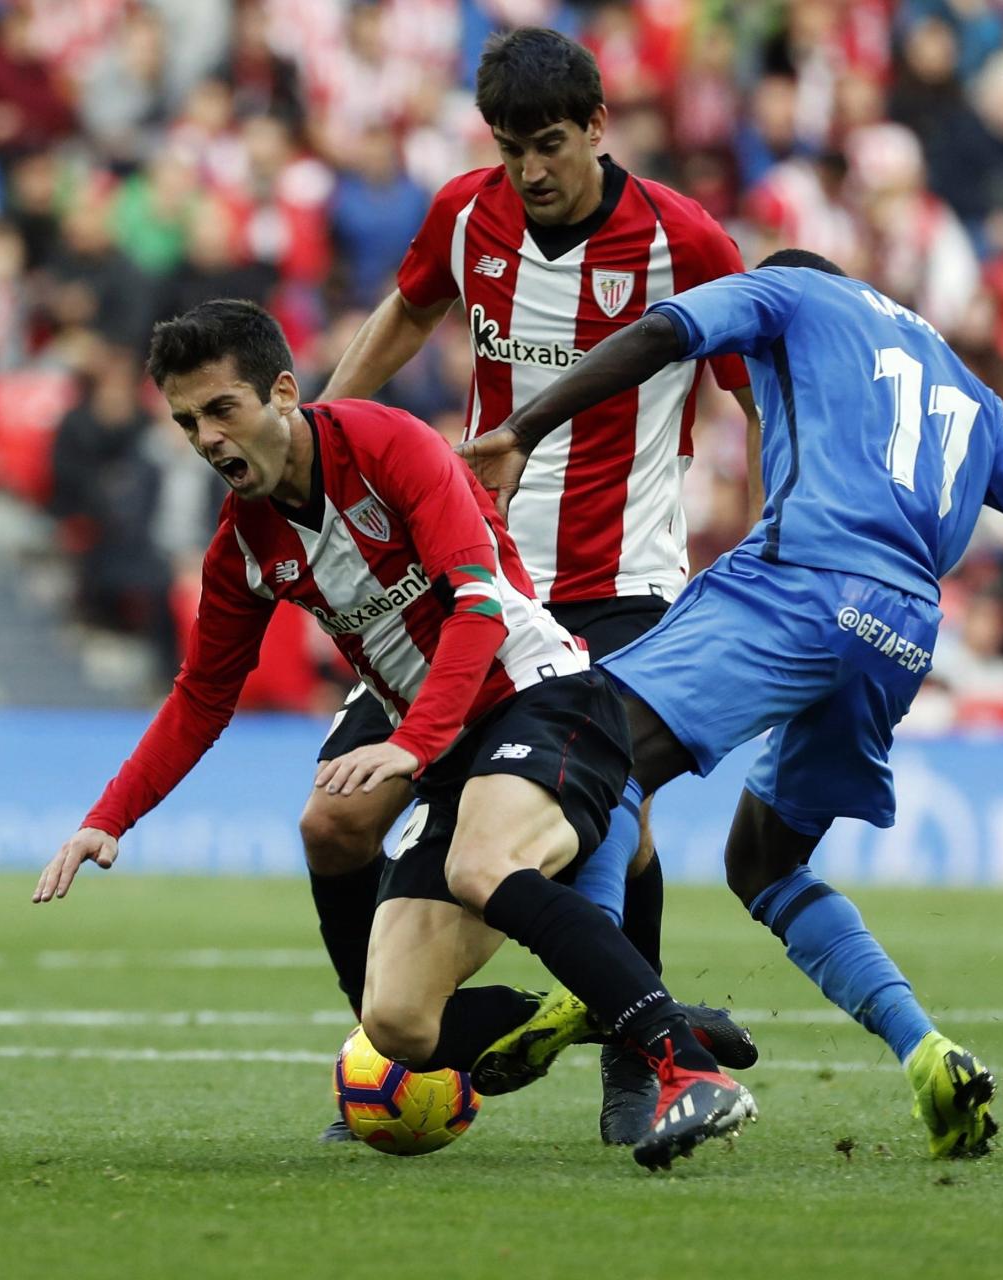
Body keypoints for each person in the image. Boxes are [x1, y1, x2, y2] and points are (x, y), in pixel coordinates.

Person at [460, 250, 1003, 1157]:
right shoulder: (970, 392)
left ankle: (605, 989)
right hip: (901, 632)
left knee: (595, 747)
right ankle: (928, 1053)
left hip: (805, 579)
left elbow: (664, 331)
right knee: (765, 866)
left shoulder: (792, 291)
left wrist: (527, 427)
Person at [31, 300, 756, 1171]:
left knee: (479, 867)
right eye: (188, 421)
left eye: (223, 409)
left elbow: (479, 605)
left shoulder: (388, 446)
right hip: (448, 745)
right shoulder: (245, 548)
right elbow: (199, 697)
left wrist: (413, 744)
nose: (208, 438)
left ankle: (688, 1070)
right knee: (402, 1023)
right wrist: (108, 817)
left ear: (285, 394)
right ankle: (610, 1007)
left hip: (545, 697)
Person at [311, 26, 762, 1143]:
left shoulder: (682, 240)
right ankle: (413, 1038)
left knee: (618, 817)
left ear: (599, 127)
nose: (528, 168)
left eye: (548, 143)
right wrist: (322, 429)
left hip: (620, 579)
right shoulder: (469, 214)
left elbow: (760, 388)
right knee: (337, 813)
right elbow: (410, 311)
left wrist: (786, 526)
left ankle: (633, 1058)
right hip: (471, 578)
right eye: (509, 146)